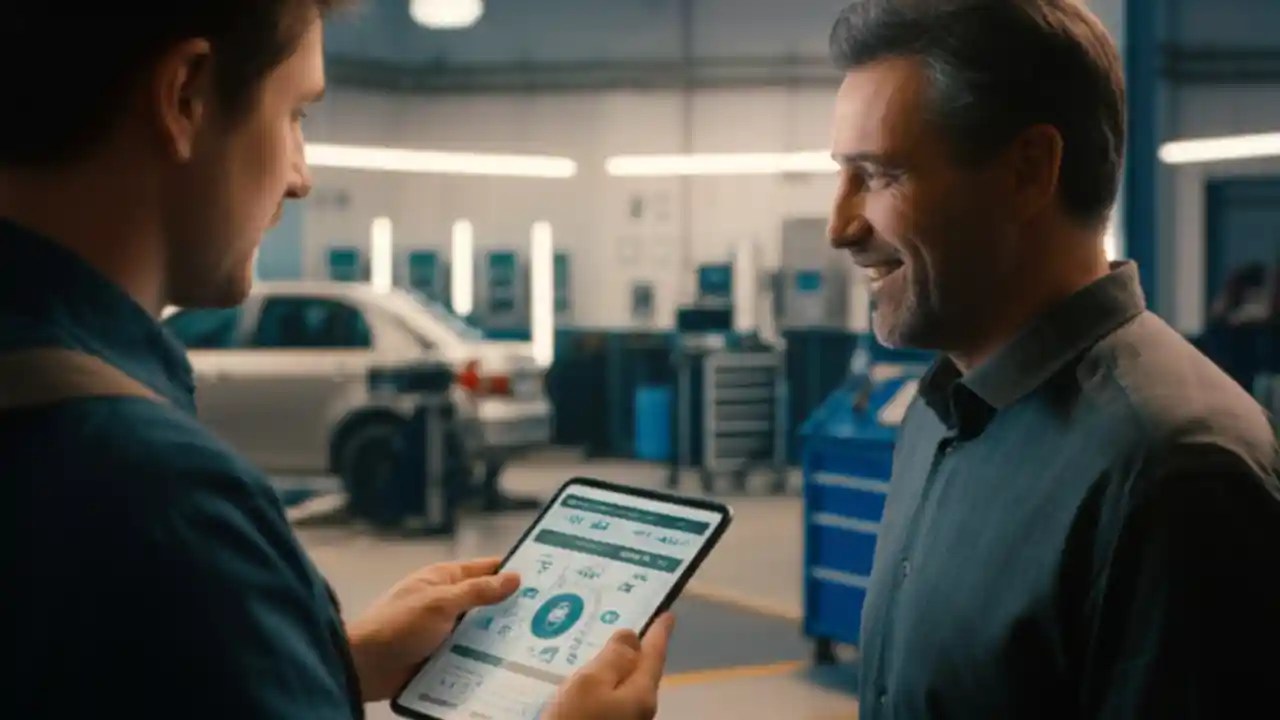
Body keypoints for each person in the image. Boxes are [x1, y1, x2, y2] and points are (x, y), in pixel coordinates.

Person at [1, 3, 670, 719]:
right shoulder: (164, 505)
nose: (301, 176)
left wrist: (321, 662)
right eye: (295, 115)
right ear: (186, 97)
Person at [824, 1, 1280, 718]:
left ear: (1028, 170)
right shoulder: (942, 413)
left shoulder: (1176, 471)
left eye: (880, 175)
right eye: (843, 174)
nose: (840, 226)